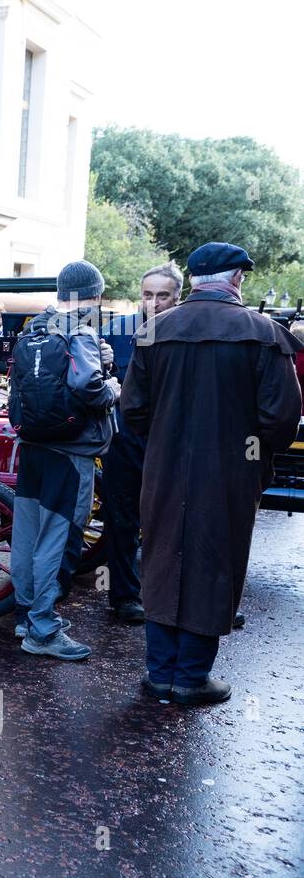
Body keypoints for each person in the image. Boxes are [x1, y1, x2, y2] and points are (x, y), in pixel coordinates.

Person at [121, 242, 301, 705]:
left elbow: (133, 410)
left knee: (161, 557)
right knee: (215, 563)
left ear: (194, 279)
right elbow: (282, 417)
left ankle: (161, 674)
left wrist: (161, 444)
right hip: (230, 471)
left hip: (163, 467)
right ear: (237, 279)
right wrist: (255, 457)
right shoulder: (263, 332)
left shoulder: (156, 330)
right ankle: (191, 678)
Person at [8, 260, 119, 661]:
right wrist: (113, 387)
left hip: (34, 446)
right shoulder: (81, 330)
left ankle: (25, 615)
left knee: (26, 536)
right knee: (61, 538)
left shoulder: (34, 328)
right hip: (72, 451)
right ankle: (42, 628)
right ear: (95, 293)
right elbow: (88, 387)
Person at [98, 261, 183, 624]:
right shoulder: (117, 330)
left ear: (178, 296)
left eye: (162, 295)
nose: (153, 302)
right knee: (122, 520)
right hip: (125, 440)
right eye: (147, 295)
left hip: (173, 442)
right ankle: (123, 597)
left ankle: (181, 600)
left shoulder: (186, 331)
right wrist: (101, 361)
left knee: (177, 522)